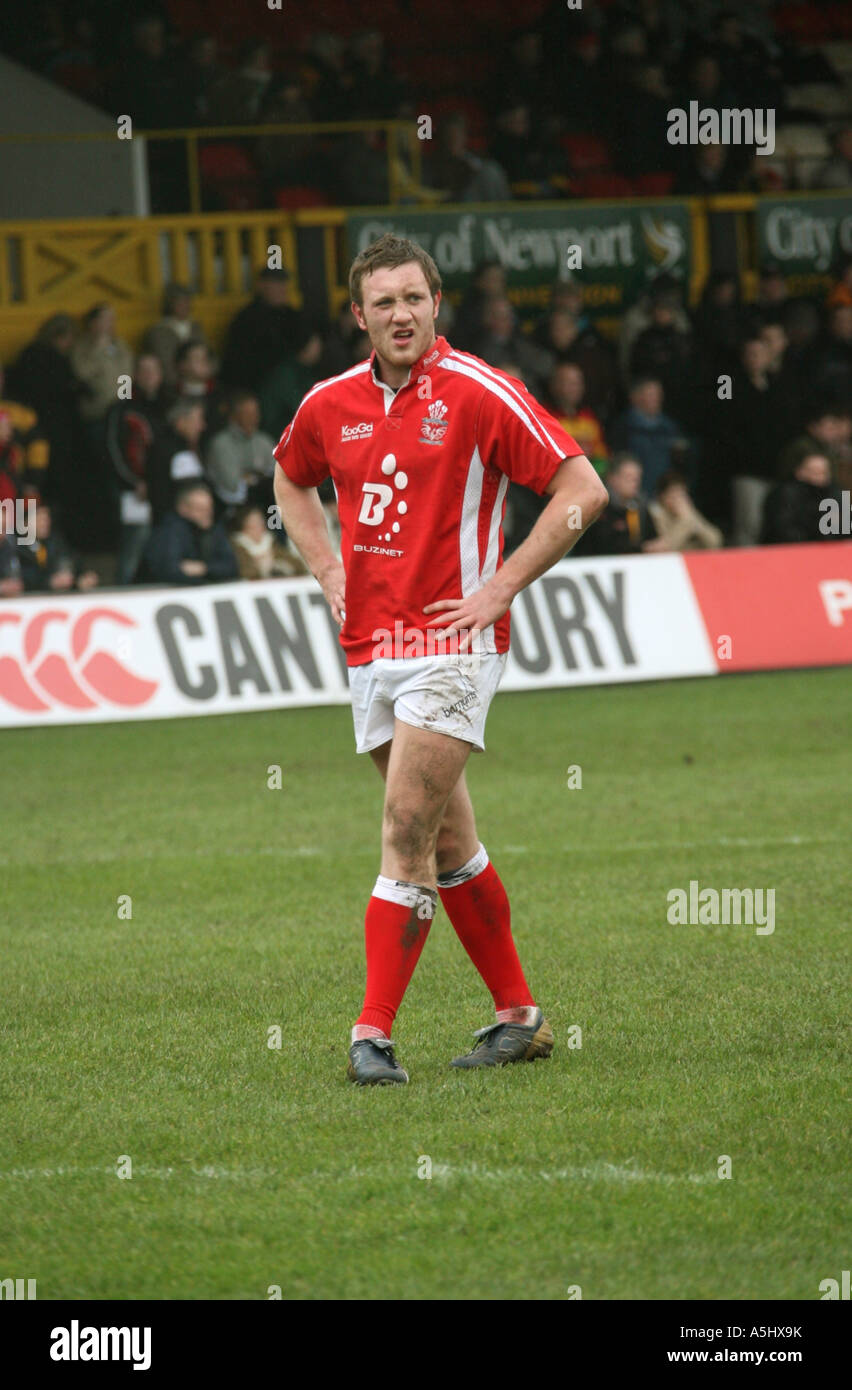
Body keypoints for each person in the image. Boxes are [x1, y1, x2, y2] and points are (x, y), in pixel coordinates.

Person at [273, 233, 606, 1085]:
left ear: (436, 302)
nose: (400, 314)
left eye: (413, 298)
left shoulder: (479, 391)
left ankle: (370, 1035)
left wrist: (500, 589)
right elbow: (289, 478)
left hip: (452, 647)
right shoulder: (328, 403)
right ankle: (520, 1018)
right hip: (368, 649)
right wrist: (328, 569)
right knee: (451, 840)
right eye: (383, 302)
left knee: (403, 831)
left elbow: (584, 491)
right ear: (360, 316)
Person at [139, 480, 239, 586]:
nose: (207, 514)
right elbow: (168, 570)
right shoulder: (170, 530)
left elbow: (232, 566)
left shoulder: (214, 528)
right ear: (182, 509)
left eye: (209, 508)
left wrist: (204, 568)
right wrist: (210, 573)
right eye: (200, 509)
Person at [576, 453, 659, 556]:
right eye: (629, 477)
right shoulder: (598, 507)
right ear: (613, 479)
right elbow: (600, 545)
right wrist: (641, 549)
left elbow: (653, 538)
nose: (635, 482)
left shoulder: (640, 506)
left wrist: (656, 545)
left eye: (637, 478)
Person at [205, 392, 277, 509]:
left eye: (256, 413)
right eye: (248, 414)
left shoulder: (264, 440)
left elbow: (277, 476)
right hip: (231, 508)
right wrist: (260, 476)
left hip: (265, 504)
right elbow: (231, 484)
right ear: (234, 416)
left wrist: (249, 476)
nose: (254, 418)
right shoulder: (220, 443)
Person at [761, 452, 843, 546]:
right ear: (799, 472)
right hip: (791, 550)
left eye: (823, 472)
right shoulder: (786, 494)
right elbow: (782, 528)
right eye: (814, 471)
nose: (819, 477)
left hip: (828, 550)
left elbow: (844, 529)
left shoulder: (837, 494)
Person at [648, 471, 723, 551]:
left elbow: (715, 542)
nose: (678, 499)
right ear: (663, 496)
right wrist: (685, 519)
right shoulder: (656, 514)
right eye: (674, 493)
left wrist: (694, 519)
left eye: (682, 493)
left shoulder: (689, 511)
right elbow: (667, 547)